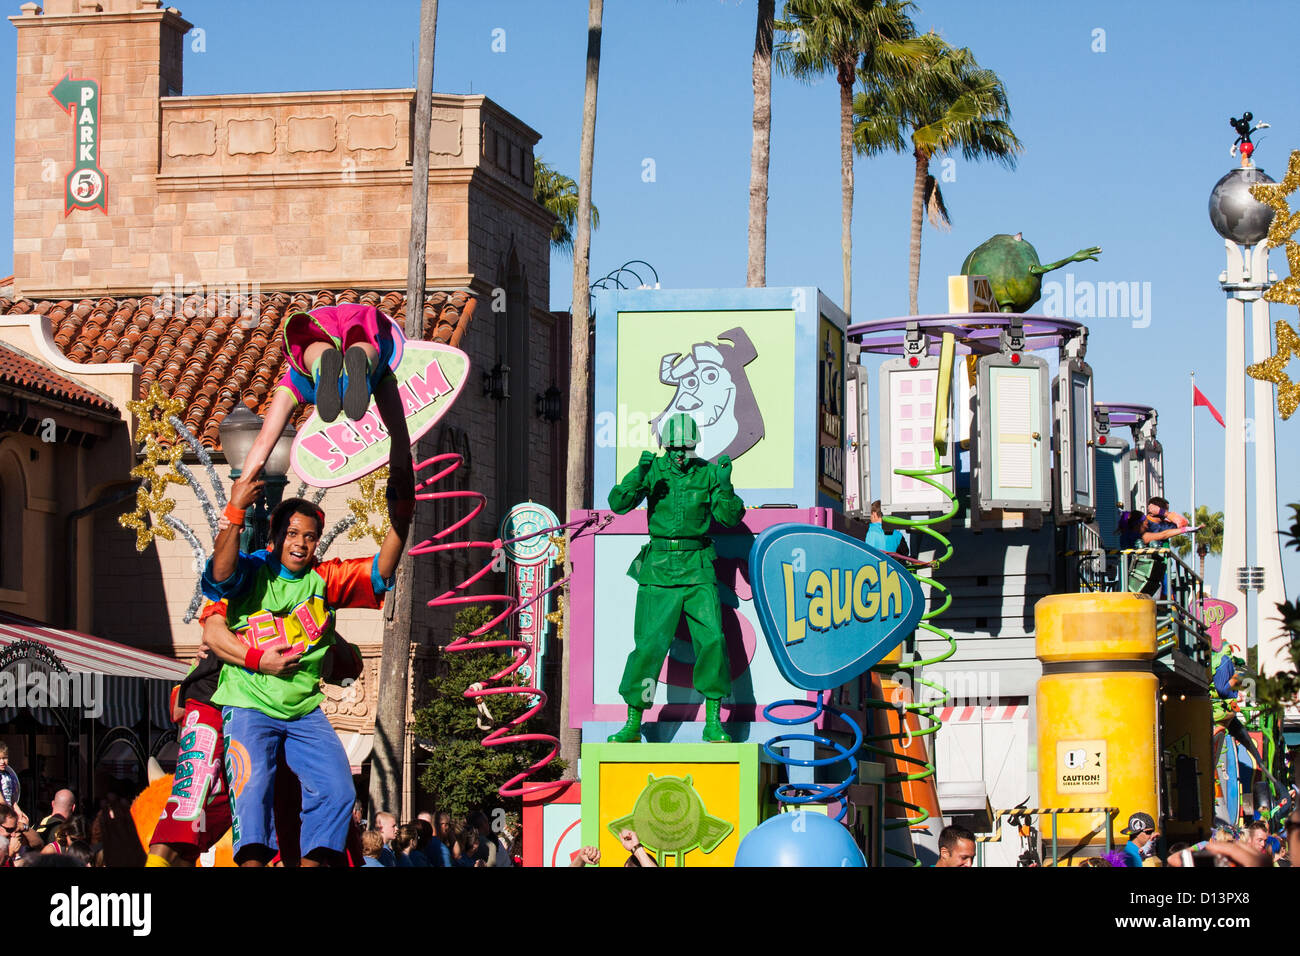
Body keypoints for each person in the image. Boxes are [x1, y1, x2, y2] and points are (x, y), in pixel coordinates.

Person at [197, 462, 414, 867]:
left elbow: (381, 571)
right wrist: (234, 512)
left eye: (309, 537)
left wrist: (401, 518)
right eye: (292, 534)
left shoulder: (324, 580)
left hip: (303, 712)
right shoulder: (251, 572)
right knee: (253, 789)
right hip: (249, 704)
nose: (300, 543)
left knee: (338, 790)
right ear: (276, 536)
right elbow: (220, 574)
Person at [606, 413, 746, 744]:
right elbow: (618, 504)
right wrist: (637, 474)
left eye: (686, 447)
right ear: (664, 446)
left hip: (698, 568)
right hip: (658, 569)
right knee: (649, 647)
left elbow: (729, 517)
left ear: (695, 446)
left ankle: (714, 721)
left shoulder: (709, 473)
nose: (681, 454)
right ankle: (633, 722)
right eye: (674, 448)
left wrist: (725, 486)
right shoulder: (653, 470)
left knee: (712, 642)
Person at [1126, 497, 1187, 596]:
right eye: (1165, 510)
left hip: (1163, 568)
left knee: (1169, 597)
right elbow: (1148, 536)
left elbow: (1183, 523)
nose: (1167, 514)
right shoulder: (1143, 524)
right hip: (1143, 569)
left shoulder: (1164, 524)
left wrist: (1163, 512)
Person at [0, 743, 23, 824]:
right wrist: (11, 814)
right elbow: (1, 801)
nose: (2, 761)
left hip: (8, 811)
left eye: (4, 758)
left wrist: (18, 810)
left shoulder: (7, 774)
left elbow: (11, 796)